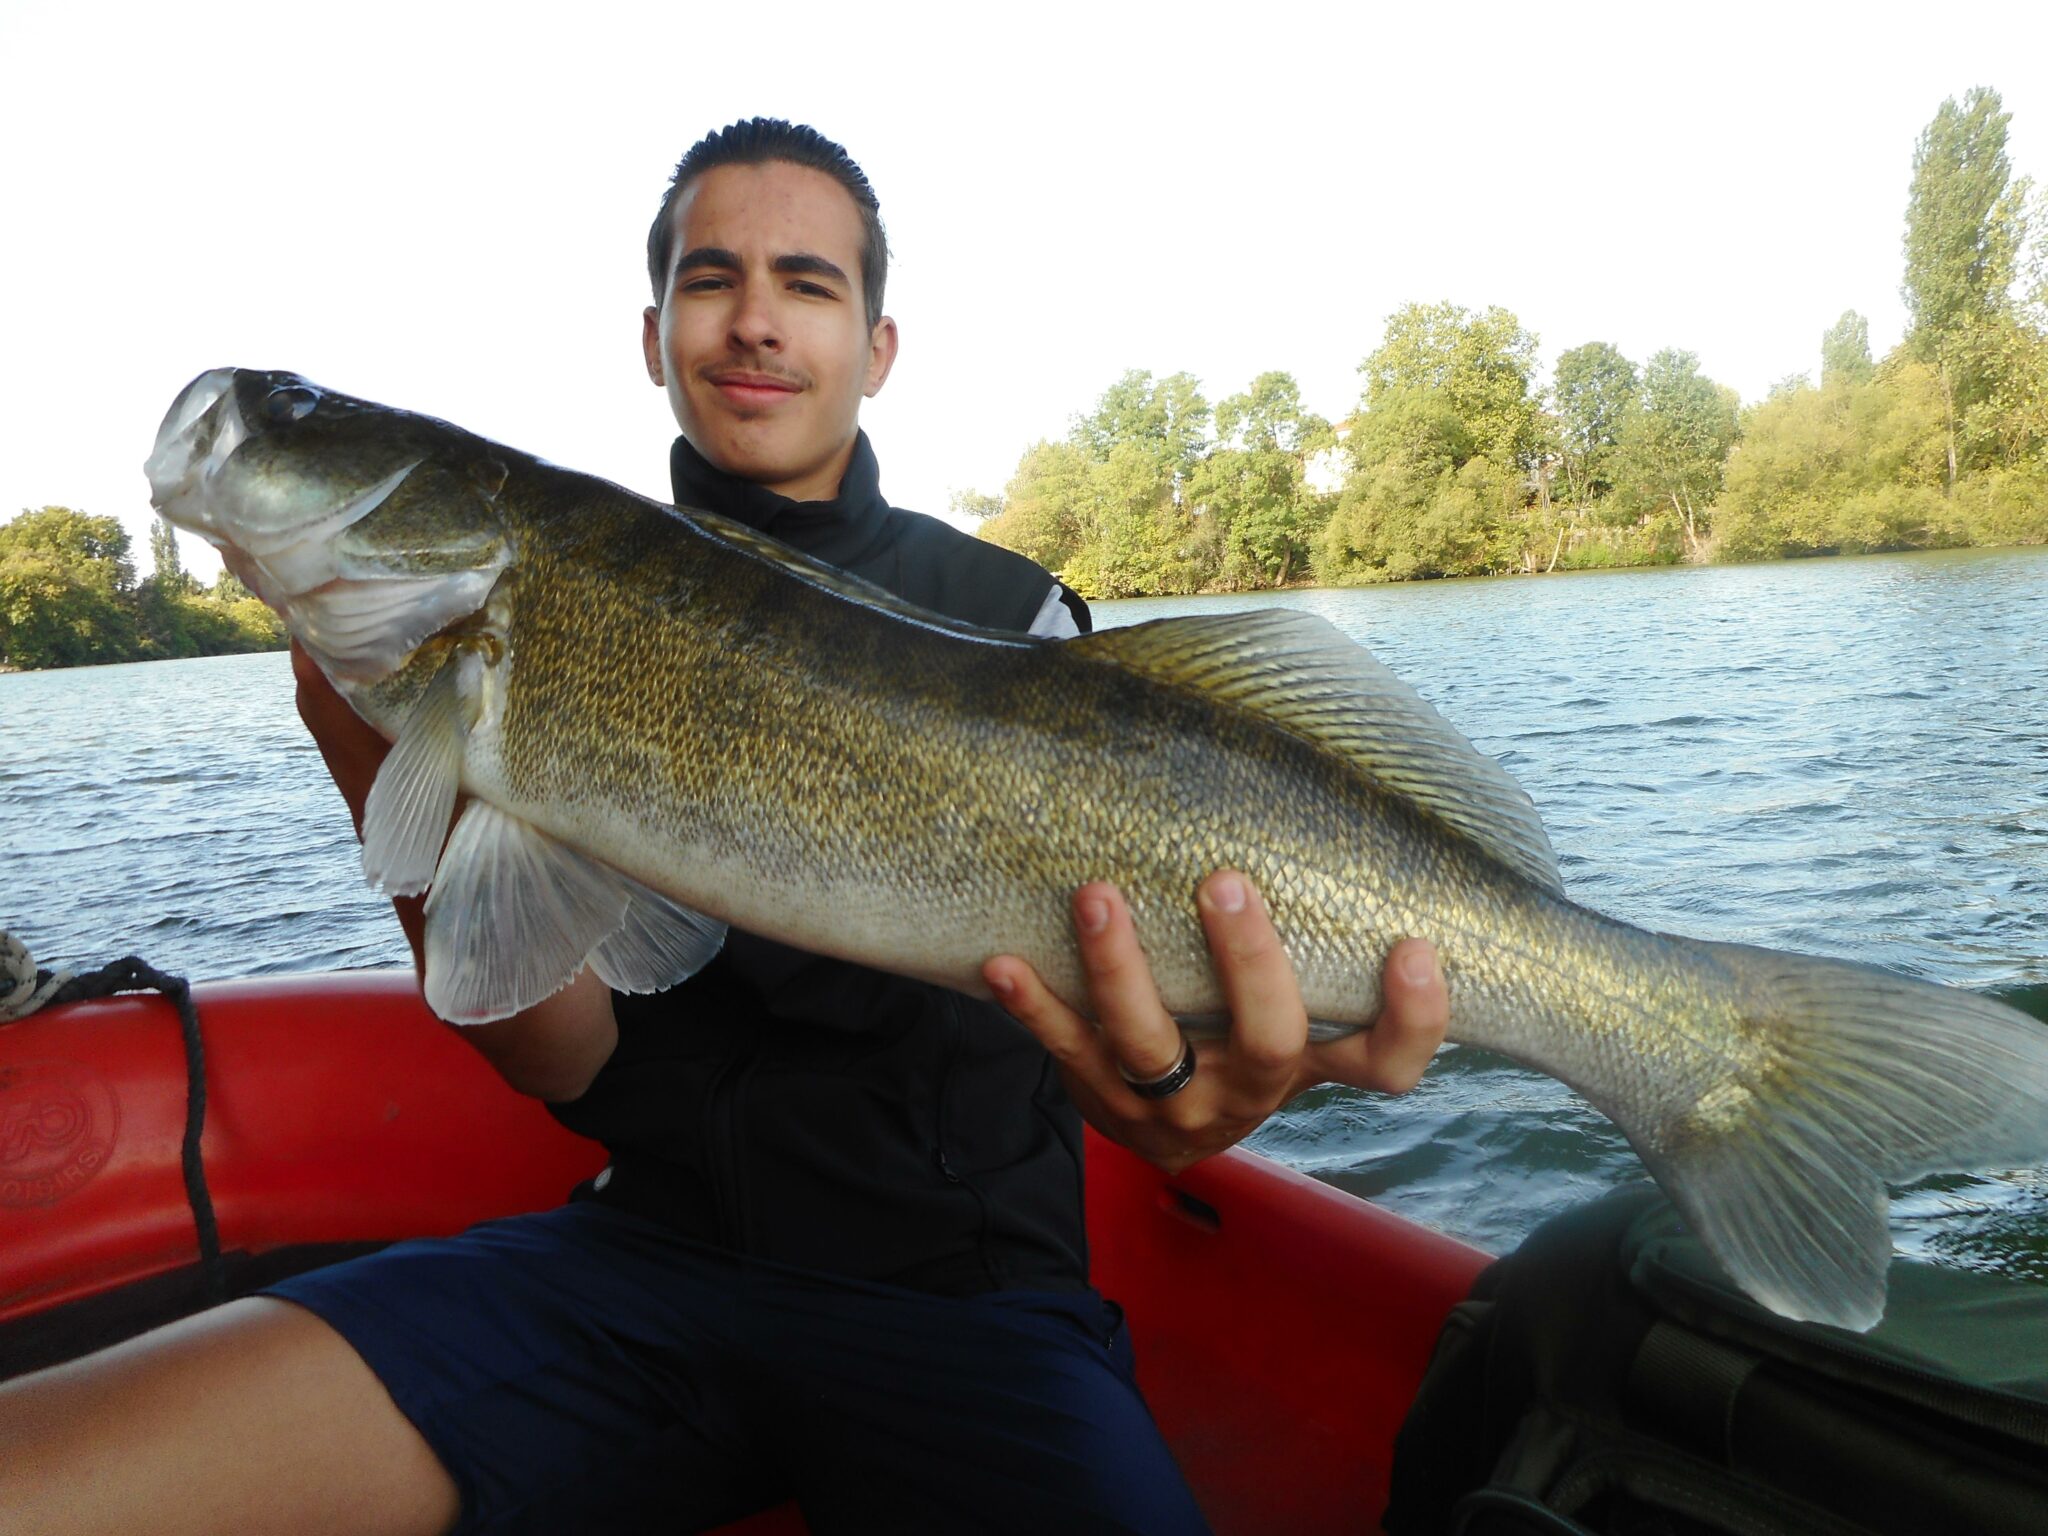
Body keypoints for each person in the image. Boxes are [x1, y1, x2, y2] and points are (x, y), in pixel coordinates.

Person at [0, 120, 1448, 1536]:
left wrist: (1190, 1089)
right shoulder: (519, 601)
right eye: (711, 279)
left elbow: (1138, 1042)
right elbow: (563, 1052)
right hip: (636, 1264)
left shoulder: (1018, 621)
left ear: (878, 347)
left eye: (808, 284)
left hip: (966, 1313)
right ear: (655, 337)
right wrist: (350, 722)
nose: (755, 319)